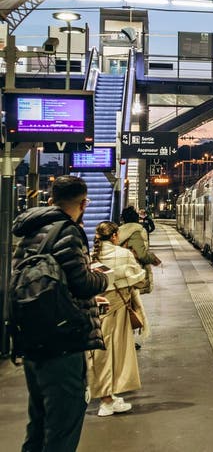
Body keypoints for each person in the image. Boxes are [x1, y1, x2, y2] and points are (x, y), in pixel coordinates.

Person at [11, 175, 108, 452]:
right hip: (62, 340)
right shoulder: (68, 230)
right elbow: (81, 282)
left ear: (51, 200)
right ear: (84, 203)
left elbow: (51, 281)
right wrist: (101, 280)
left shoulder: (30, 232)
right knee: (64, 423)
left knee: (39, 422)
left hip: (32, 337)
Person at [88, 221, 147, 417]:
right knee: (119, 350)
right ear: (114, 237)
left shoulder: (91, 256)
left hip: (98, 305)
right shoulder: (124, 254)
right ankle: (107, 401)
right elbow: (139, 279)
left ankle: (108, 396)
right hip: (119, 305)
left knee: (101, 352)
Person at [118, 206, 161, 294]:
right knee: (135, 299)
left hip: (121, 271)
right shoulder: (136, 232)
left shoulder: (118, 231)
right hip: (135, 271)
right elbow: (141, 254)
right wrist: (153, 258)